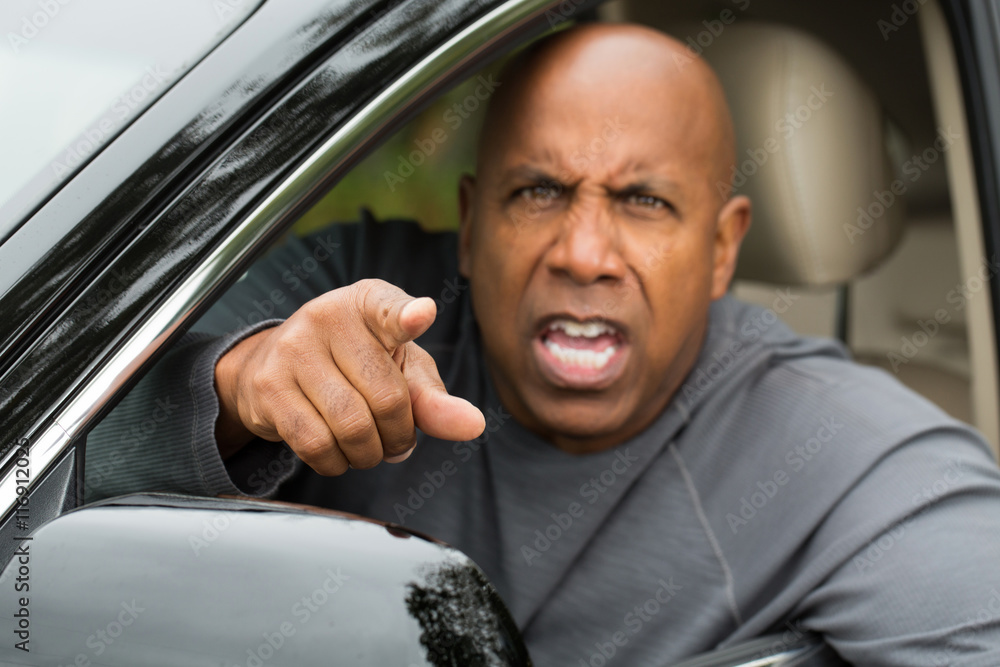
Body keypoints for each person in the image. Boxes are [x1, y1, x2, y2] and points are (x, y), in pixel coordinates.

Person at [89, 23, 1000, 665]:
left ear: (723, 247)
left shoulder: (828, 451)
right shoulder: (348, 293)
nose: (583, 253)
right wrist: (245, 385)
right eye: (539, 192)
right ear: (472, 220)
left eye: (644, 201)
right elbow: (51, 444)